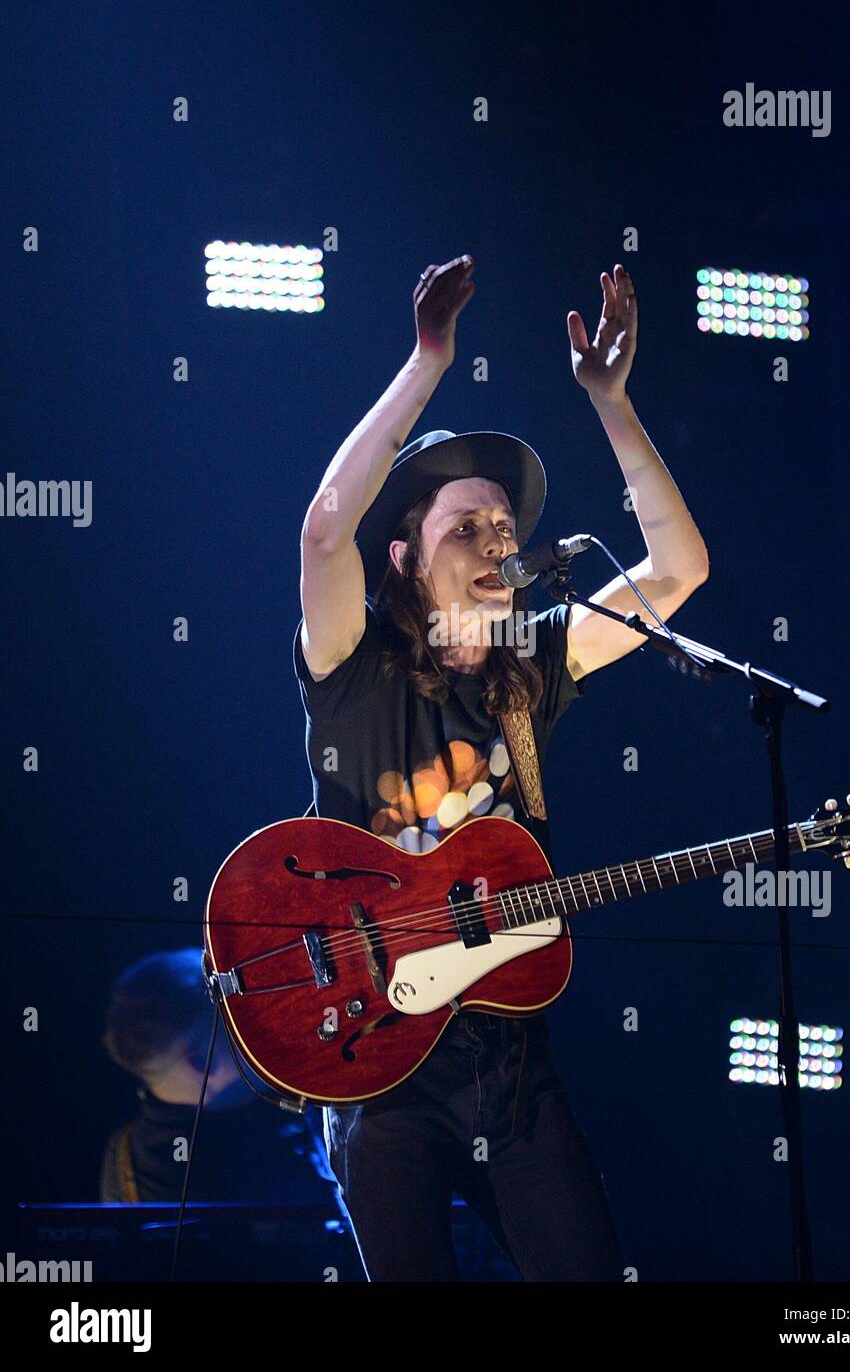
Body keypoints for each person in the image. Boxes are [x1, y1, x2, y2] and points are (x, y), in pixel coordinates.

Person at [294, 254, 709, 1281]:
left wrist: (612, 405)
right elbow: (322, 527)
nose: (493, 538)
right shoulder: (350, 660)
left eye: (502, 525)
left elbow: (679, 572)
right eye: (463, 526)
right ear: (405, 554)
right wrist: (426, 360)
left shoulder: (538, 660)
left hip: (510, 1059)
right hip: (377, 1060)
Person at [100, 947, 341, 1209]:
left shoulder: (127, 1161)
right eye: (239, 1020)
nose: (268, 1020)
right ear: (202, 1062)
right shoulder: (157, 1186)